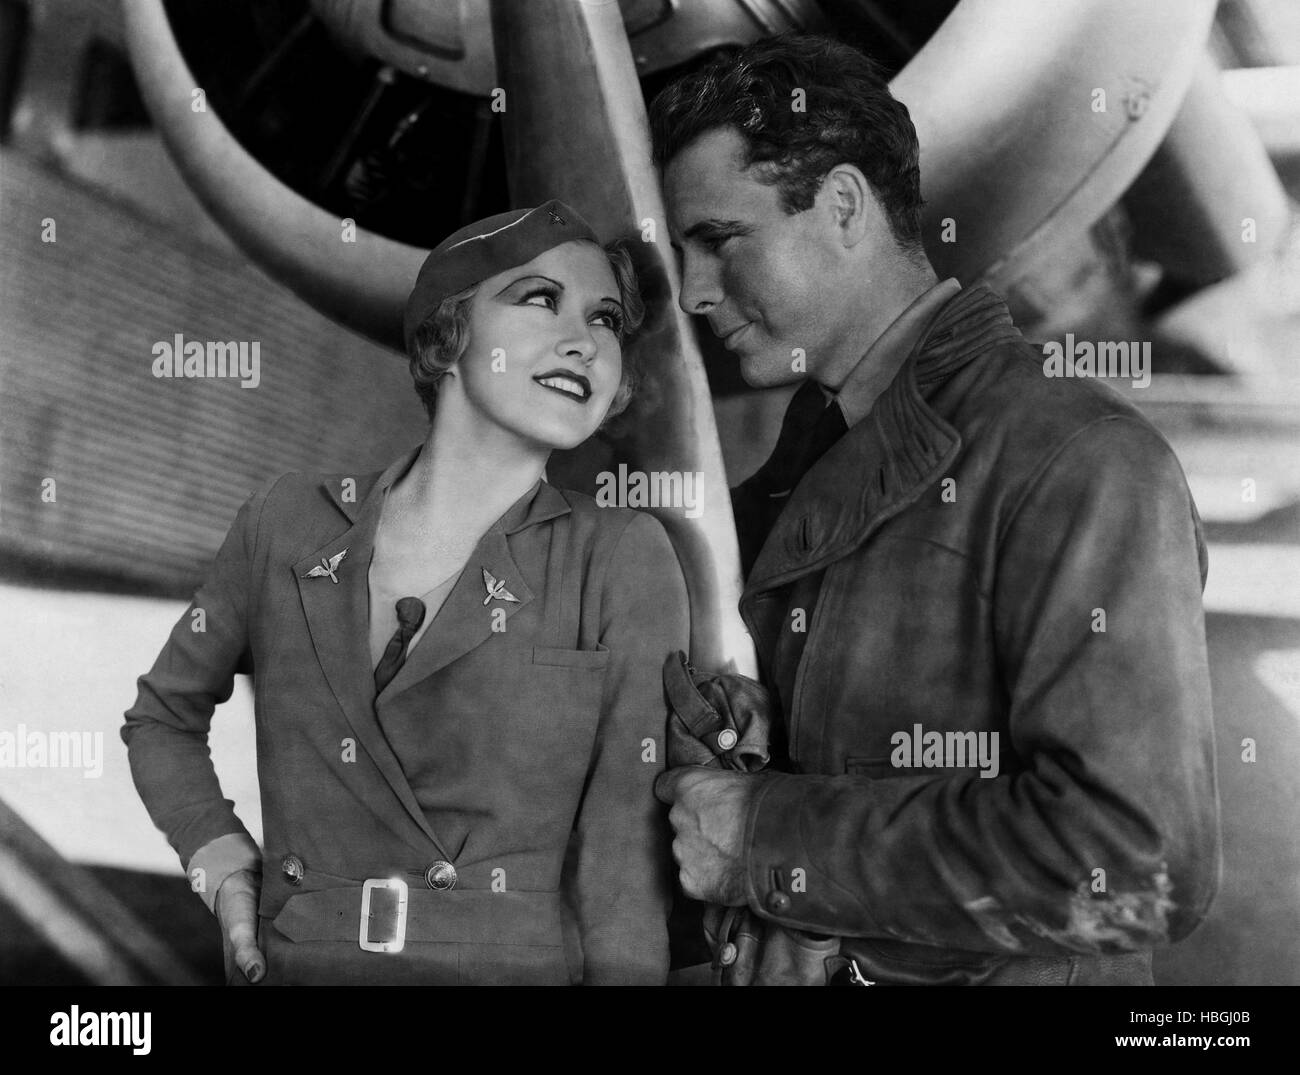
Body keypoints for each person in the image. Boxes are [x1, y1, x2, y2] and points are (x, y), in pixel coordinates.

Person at [649, 34, 1220, 986]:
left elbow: (1133, 861)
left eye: (719, 239)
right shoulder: (805, 462)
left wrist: (765, 831)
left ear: (841, 207)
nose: (692, 291)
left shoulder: (1080, 461)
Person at [122, 200, 688, 985]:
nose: (584, 341)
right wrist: (223, 869)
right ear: (448, 335)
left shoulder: (623, 557)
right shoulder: (285, 523)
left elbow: (623, 869)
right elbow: (161, 719)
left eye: (607, 320)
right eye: (540, 299)